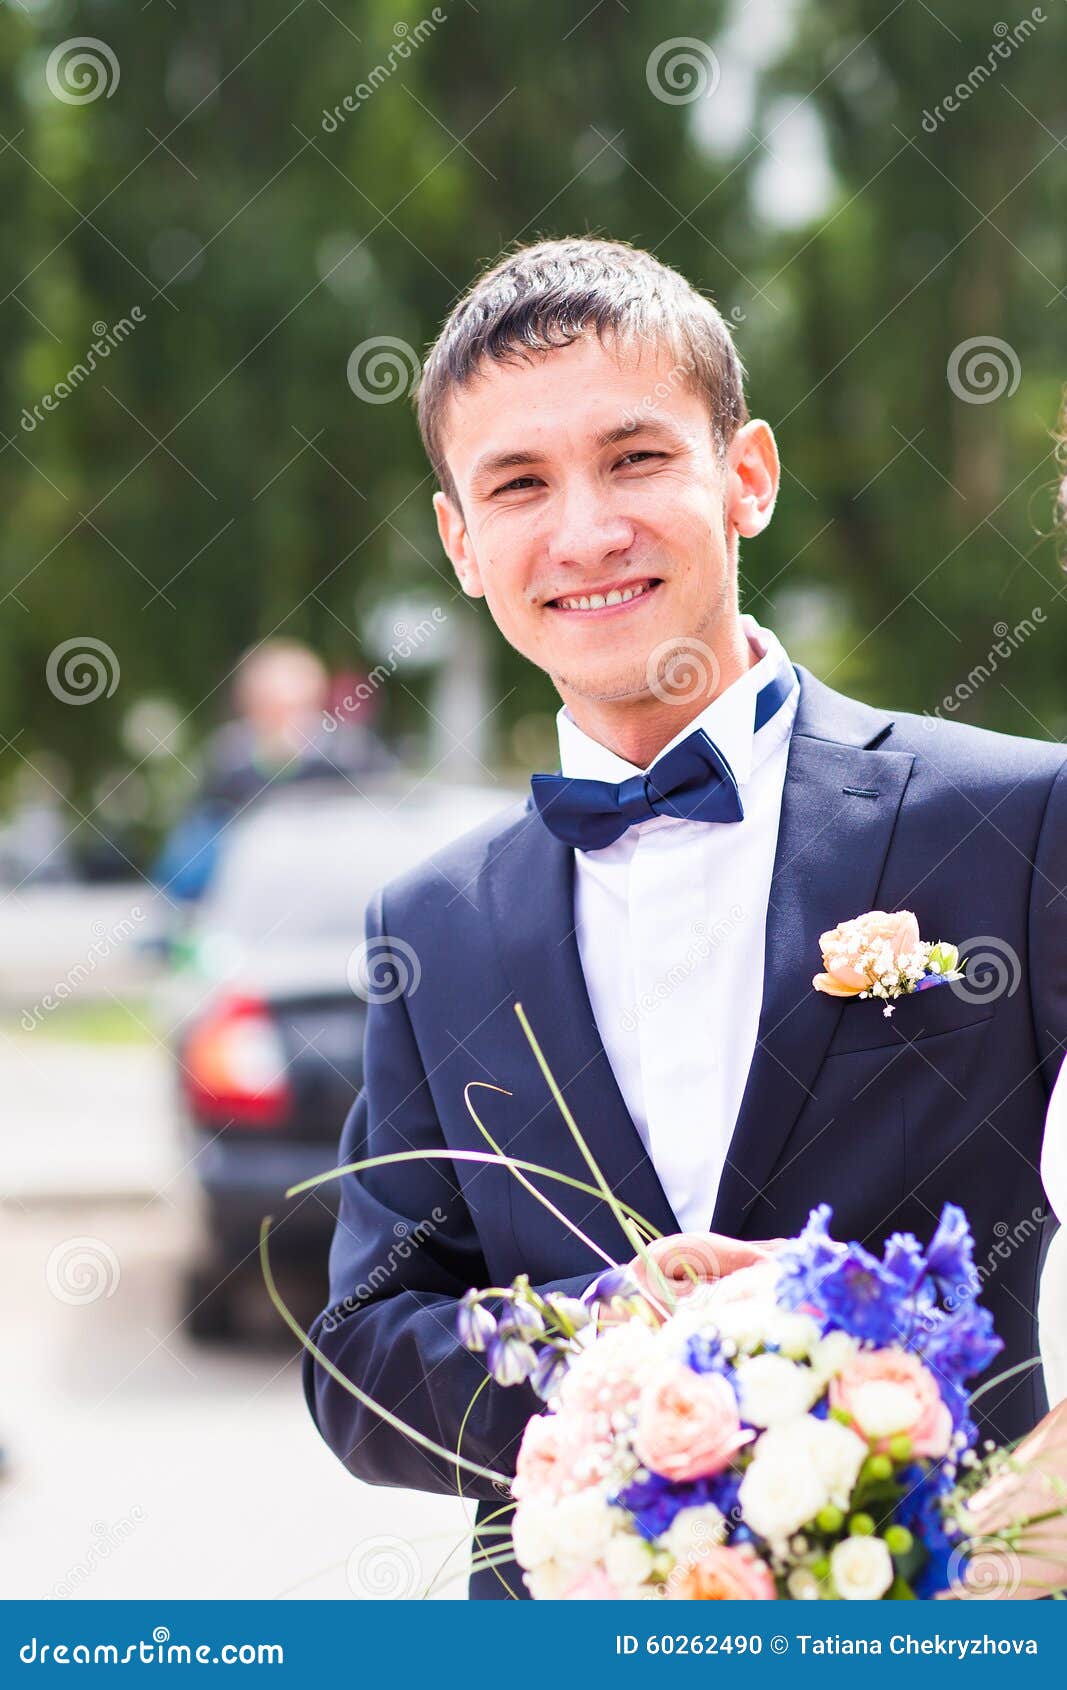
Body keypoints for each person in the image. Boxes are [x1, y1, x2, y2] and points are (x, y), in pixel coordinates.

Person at [303, 237, 1067, 1599]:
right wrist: (598, 1350)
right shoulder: (432, 927)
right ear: (461, 543)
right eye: (520, 485)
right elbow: (360, 1348)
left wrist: (839, 1327)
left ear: (747, 476)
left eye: (637, 457)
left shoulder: (1017, 821)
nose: (587, 530)